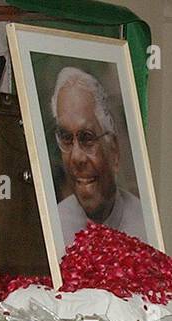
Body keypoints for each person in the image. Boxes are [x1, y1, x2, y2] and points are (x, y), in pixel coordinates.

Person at [50, 67, 146, 243]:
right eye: (66, 139)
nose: (76, 158)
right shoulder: (52, 227)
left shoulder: (145, 226)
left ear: (114, 152)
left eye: (87, 138)